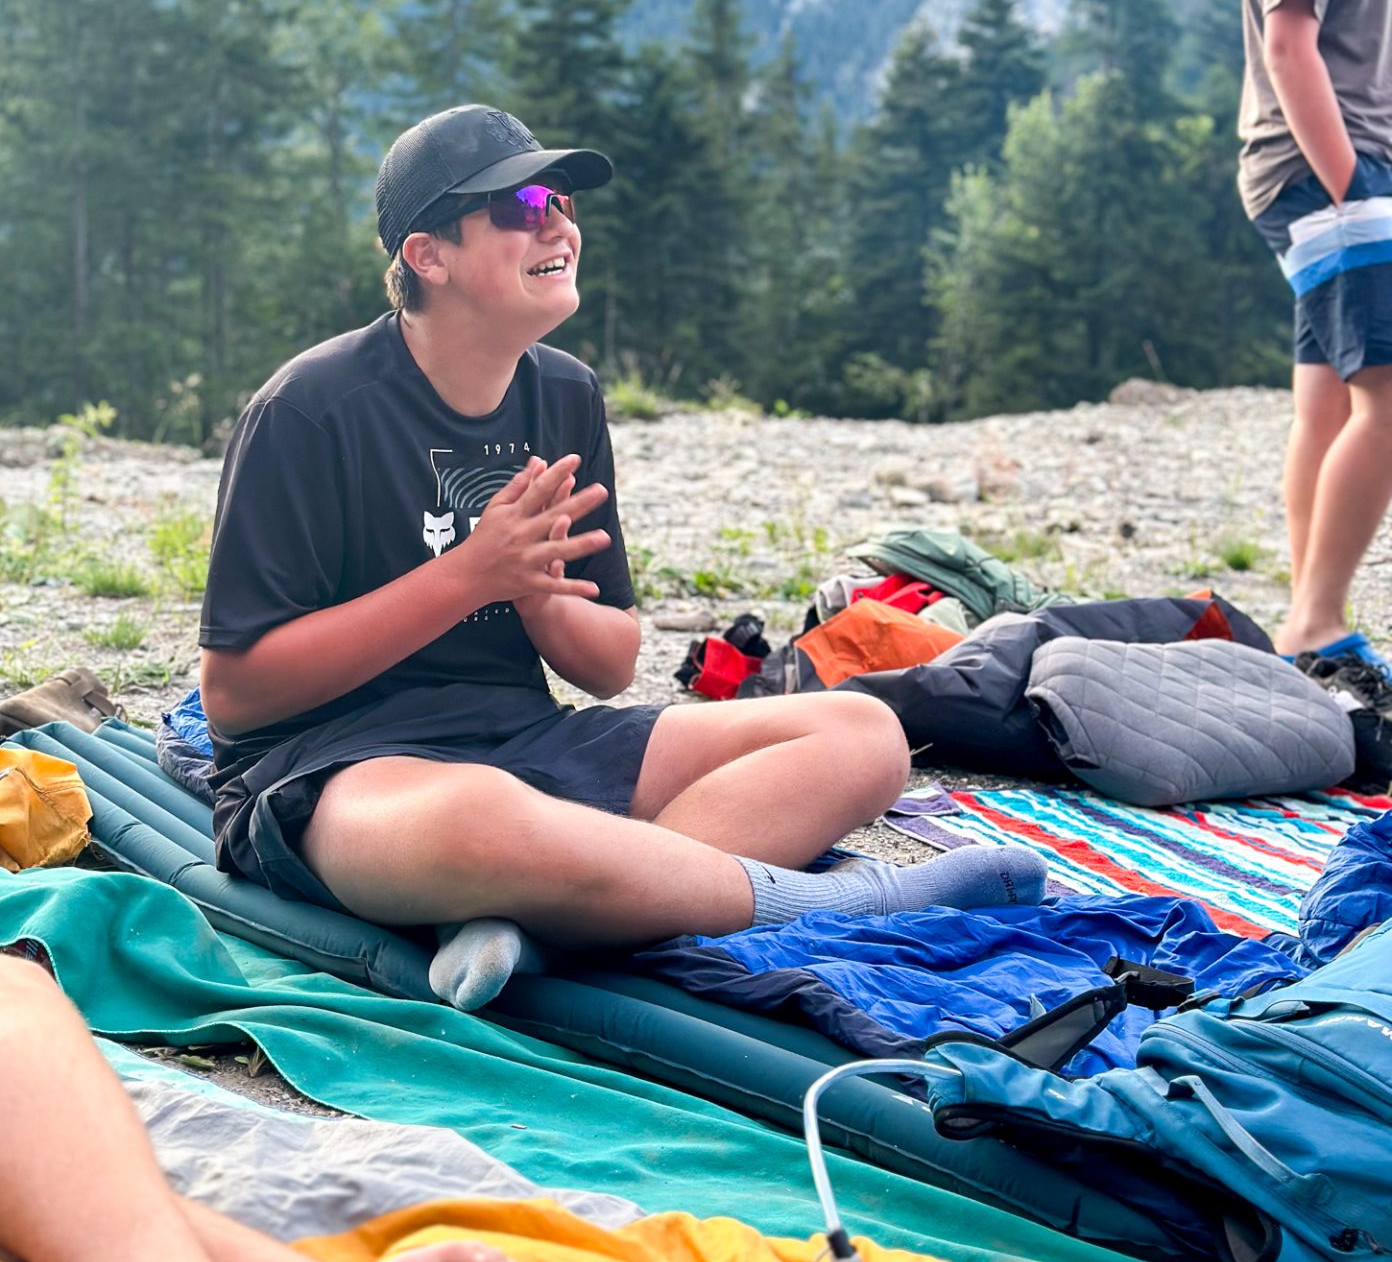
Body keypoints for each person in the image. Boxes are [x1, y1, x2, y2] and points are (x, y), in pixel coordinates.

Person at [198, 104, 1041, 1007]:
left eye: (560, 201)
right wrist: (469, 577)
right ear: (427, 255)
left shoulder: (563, 395)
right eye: (519, 203)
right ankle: (837, 902)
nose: (558, 222)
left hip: (526, 738)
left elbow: (609, 666)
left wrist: (535, 596)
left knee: (862, 735)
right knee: (487, 821)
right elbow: (236, 696)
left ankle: (539, 922)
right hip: (337, 773)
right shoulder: (310, 410)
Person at [0, 943, 788, 1262]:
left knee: (35, 1160)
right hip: (353, 786)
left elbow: (602, 664)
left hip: (505, 773)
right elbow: (251, 702)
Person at [1240, 0, 1392, 677]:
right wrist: (1348, 185)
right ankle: (1316, 622)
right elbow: (1290, 42)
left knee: (1329, 406)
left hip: (1337, 168)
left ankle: (1307, 622)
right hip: (1322, 170)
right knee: (1391, 395)